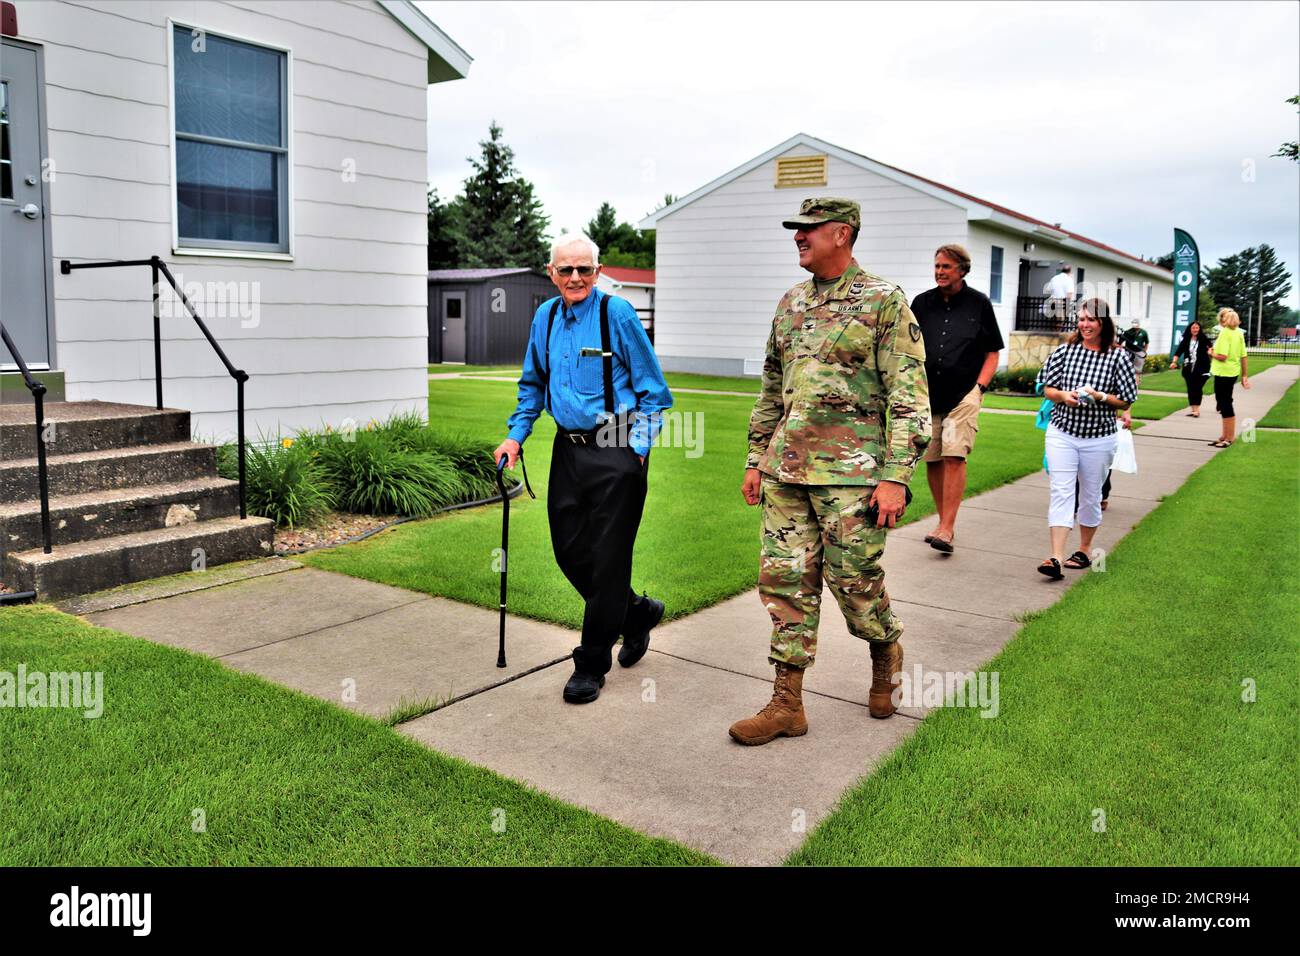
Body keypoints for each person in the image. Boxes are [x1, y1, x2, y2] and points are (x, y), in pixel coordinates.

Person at [728, 197, 930, 745]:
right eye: (796, 230)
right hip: (786, 474)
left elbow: (910, 396)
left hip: (853, 478)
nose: (798, 237)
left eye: (809, 230)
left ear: (842, 234)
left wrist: (896, 476)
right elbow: (772, 388)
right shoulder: (790, 303)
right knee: (785, 584)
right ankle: (786, 702)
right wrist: (755, 458)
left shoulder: (884, 301)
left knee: (853, 585)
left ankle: (885, 649)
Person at [493, 234, 673, 704]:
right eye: (565, 269)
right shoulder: (545, 317)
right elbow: (532, 383)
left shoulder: (618, 315)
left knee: (610, 559)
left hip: (616, 443)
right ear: (551, 272)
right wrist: (516, 435)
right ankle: (636, 614)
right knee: (570, 551)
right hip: (566, 448)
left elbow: (655, 391)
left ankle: (592, 663)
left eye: (584, 270)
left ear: (598, 271)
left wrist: (635, 449)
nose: (575, 278)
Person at [910, 243, 1004, 553]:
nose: (939, 272)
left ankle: (948, 528)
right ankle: (942, 522)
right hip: (928, 396)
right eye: (937, 266)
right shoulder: (921, 304)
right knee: (933, 459)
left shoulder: (979, 304)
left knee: (954, 455)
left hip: (963, 395)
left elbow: (992, 352)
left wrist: (979, 389)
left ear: (962, 270)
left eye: (946, 267)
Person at [1035, 298, 1137, 579]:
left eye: (1090, 319)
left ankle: (1084, 549)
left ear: (1103, 323)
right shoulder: (1066, 351)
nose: (1084, 324)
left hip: (1099, 438)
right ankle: (1055, 557)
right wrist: (1062, 396)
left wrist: (1100, 396)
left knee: (1091, 496)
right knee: (1061, 491)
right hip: (1062, 432)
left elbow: (1126, 400)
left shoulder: (1118, 357)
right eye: (1081, 319)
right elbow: (1048, 388)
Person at [1206, 308, 1250, 447]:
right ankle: (1225, 435)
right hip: (1232, 372)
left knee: (1225, 404)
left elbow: (1222, 356)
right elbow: (1243, 355)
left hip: (1223, 372)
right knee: (1224, 402)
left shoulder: (1225, 333)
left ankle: (1229, 438)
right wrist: (1244, 375)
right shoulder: (1239, 333)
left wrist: (1211, 353)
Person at [1169, 320, 1212, 417]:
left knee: (1197, 388)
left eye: (1197, 328)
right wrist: (1174, 362)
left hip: (1202, 367)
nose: (1195, 329)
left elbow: (1211, 348)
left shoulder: (1203, 339)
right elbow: (1178, 352)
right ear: (1190, 329)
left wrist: (1210, 351)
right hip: (1188, 368)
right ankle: (1194, 410)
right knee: (1191, 389)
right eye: (1193, 328)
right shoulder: (1186, 339)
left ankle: (1196, 410)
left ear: (1199, 329)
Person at [1119, 318, 1150, 384]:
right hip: (1129, 351)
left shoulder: (1143, 332)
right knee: (1127, 368)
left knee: (1137, 370)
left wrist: (1144, 351)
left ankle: (1136, 383)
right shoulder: (1127, 332)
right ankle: (1128, 382)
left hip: (1139, 352)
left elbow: (1146, 343)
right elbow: (1120, 342)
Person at [1044, 264, 1076, 329]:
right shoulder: (1069, 279)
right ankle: (1058, 333)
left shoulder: (1054, 278)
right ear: (1069, 272)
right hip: (1061, 302)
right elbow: (1069, 294)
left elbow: (1048, 290)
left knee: (1053, 321)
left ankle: (1053, 332)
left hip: (1051, 302)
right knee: (1060, 322)